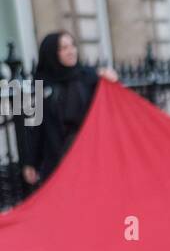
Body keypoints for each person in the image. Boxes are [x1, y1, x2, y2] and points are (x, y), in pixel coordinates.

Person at [21, 31, 117, 188]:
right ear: (52, 53)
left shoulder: (89, 77)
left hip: (91, 156)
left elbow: (111, 108)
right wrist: (31, 162)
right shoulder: (40, 84)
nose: (71, 51)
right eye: (64, 48)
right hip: (58, 158)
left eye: (72, 45)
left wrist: (111, 80)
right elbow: (34, 127)